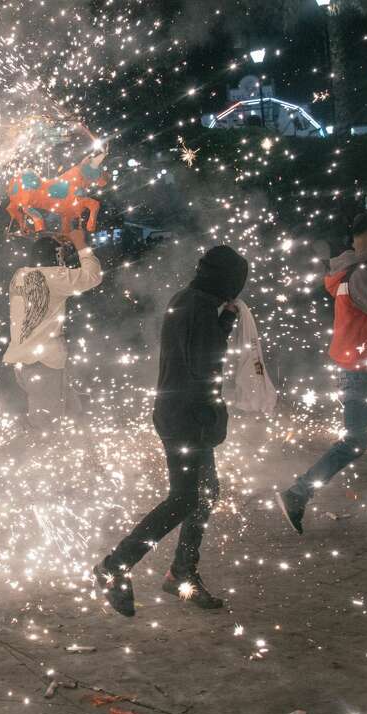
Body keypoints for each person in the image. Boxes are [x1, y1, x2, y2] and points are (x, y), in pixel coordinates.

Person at [95, 245, 249, 616]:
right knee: (184, 498)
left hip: (181, 412)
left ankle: (181, 573)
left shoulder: (189, 299)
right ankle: (114, 566)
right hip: (187, 417)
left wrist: (221, 323)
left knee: (206, 492)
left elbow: (199, 353)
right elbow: (204, 368)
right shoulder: (198, 306)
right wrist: (212, 417)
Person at [275, 212, 367, 532]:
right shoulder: (359, 275)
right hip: (360, 372)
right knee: (355, 441)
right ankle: (298, 493)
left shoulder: (350, 272)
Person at [3, 227, 102, 429]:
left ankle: (86, 457)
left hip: (25, 362)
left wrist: (53, 242)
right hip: (44, 364)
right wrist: (80, 245)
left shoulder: (19, 275)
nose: (64, 260)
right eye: (62, 256)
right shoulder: (53, 277)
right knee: (46, 427)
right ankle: (38, 458)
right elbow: (93, 276)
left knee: (74, 412)